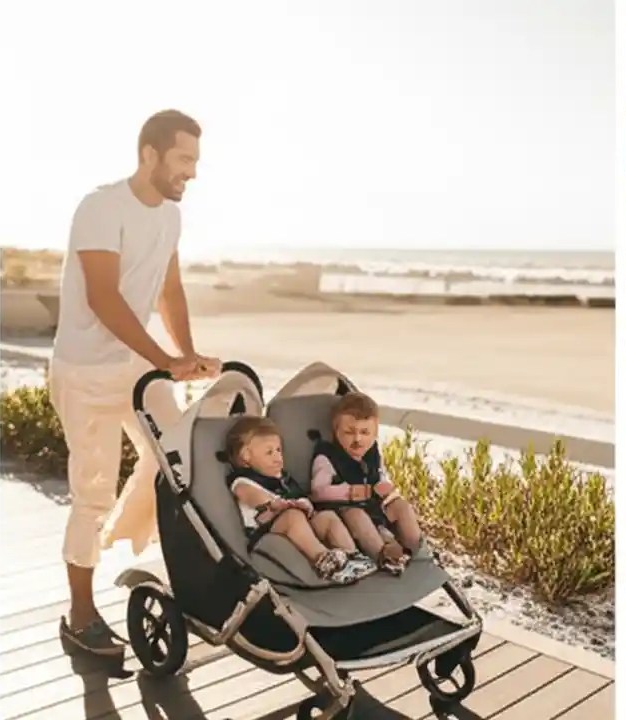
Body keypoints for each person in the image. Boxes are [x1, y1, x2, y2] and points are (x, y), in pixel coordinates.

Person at [52, 109, 222, 656]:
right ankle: (80, 617)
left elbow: (169, 290)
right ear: (149, 154)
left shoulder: (169, 217)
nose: (191, 171)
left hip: (135, 368)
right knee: (91, 493)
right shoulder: (101, 207)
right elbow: (104, 297)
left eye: (195, 159)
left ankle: (145, 546)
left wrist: (186, 352)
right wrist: (164, 359)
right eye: (183, 158)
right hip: (84, 372)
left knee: (180, 460)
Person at [225, 416, 375, 583]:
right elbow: (251, 496)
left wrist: (304, 505)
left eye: (278, 450)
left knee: (326, 517)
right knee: (292, 517)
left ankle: (351, 556)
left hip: (299, 520)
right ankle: (323, 558)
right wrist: (273, 503)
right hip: (266, 529)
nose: (277, 457)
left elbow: (299, 497)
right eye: (269, 452)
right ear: (246, 455)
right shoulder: (243, 480)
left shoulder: (283, 477)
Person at [310, 392, 421, 575]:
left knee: (401, 507)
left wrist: (386, 490)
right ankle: (383, 556)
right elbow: (318, 491)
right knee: (357, 515)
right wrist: (353, 492)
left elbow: (380, 477)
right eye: (349, 432)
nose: (357, 439)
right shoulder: (326, 456)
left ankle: (412, 550)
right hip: (342, 510)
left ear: (375, 433)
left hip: (373, 508)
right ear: (335, 432)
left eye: (365, 432)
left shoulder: (372, 454)